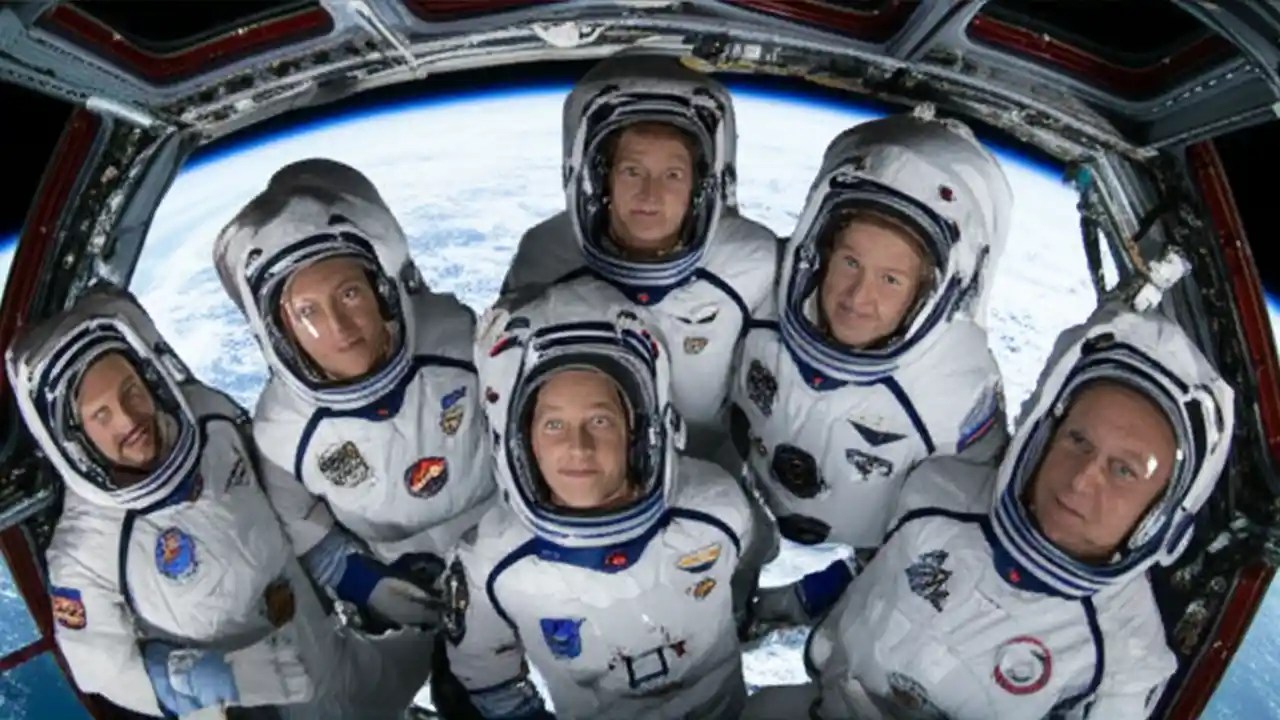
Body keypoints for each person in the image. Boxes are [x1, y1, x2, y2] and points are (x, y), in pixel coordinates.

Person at [744, 300, 1235, 719]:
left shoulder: (1120, 667)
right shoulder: (939, 493)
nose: (1083, 478)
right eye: (1077, 440)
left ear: (1161, 511)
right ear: (1043, 435)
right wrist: (790, 601)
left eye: (1124, 470)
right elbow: (878, 568)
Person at [5, 285, 438, 718]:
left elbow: (284, 504)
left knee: (453, 643)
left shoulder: (209, 420)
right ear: (74, 438)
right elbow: (100, 668)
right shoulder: (85, 549)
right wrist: (205, 679)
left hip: (339, 669)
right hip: (246, 708)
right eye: (101, 415)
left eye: (131, 390)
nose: (129, 418)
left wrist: (365, 583)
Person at [732, 112, 1012, 627]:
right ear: (819, 254)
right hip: (738, 499)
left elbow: (958, 531)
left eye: (890, 279)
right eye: (850, 263)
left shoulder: (952, 393)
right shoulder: (751, 297)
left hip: (880, 546)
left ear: (929, 293)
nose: (859, 297)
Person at [437, 311, 755, 719]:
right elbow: (486, 673)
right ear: (521, 440)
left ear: (636, 430)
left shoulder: (713, 507)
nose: (579, 447)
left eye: (600, 420)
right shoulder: (490, 565)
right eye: (554, 424)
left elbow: (740, 573)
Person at [213, 158, 495, 576]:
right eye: (307, 311)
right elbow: (301, 522)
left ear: (380, 292)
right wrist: (367, 585)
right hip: (403, 570)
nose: (339, 327)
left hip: (509, 540)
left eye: (349, 294)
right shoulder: (283, 430)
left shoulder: (458, 342)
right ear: (280, 332)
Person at [498, 51, 778, 465]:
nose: (651, 194)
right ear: (602, 177)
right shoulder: (546, 260)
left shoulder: (749, 262)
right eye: (632, 171)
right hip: (596, 470)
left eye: (673, 175)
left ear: (700, 186)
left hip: (711, 464)